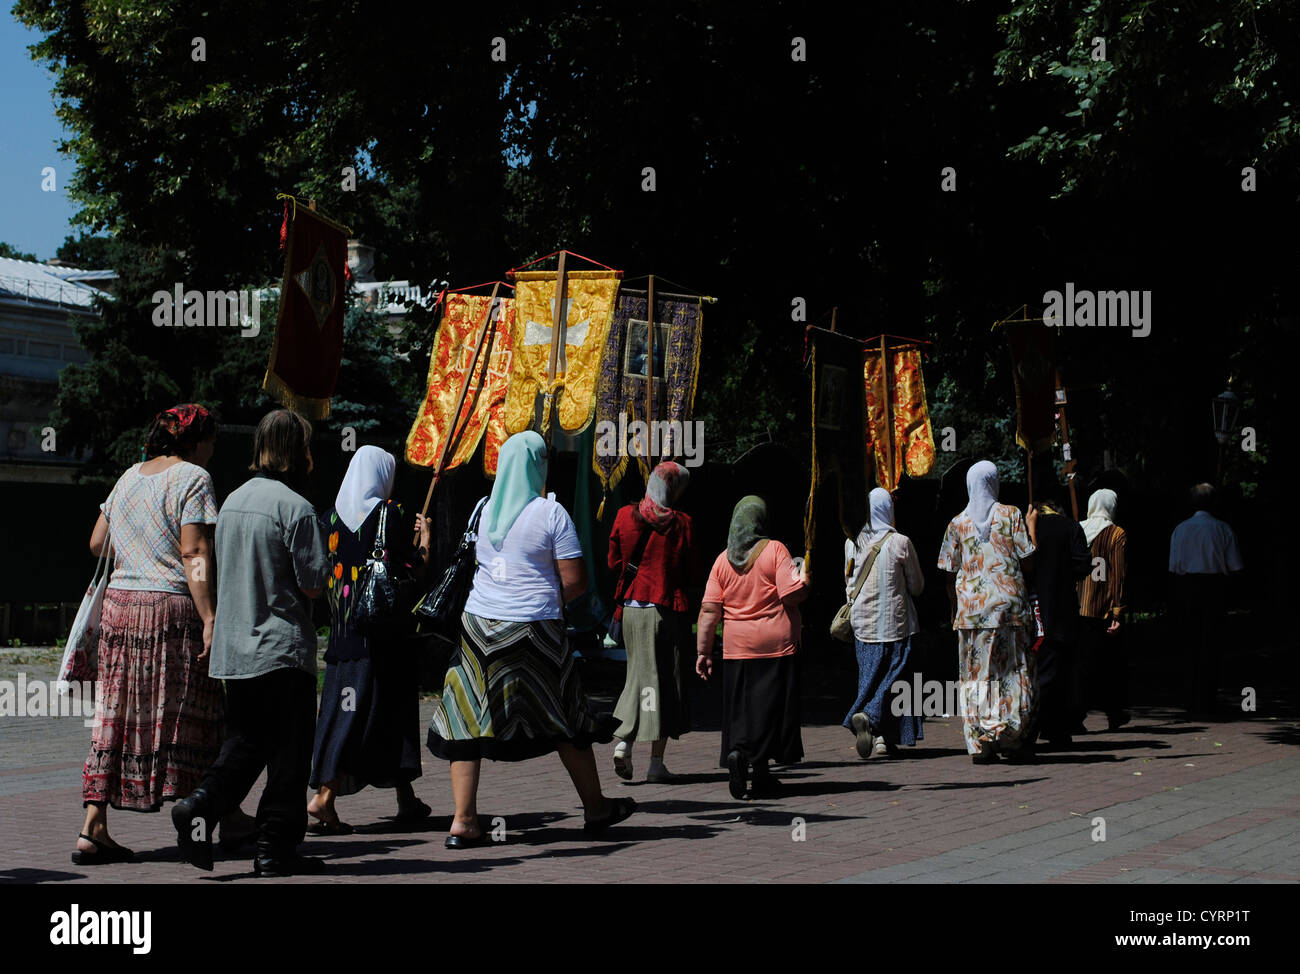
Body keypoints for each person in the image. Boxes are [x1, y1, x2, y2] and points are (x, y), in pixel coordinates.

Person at [426, 431, 634, 848]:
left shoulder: (483, 509)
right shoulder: (550, 513)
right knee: (565, 716)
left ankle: (464, 821)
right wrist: (545, 597)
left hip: (478, 627)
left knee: (466, 718)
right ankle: (595, 808)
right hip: (535, 630)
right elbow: (575, 581)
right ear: (539, 466)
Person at [74, 405, 249, 864]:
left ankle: (93, 827)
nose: (213, 450)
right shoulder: (193, 478)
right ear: (196, 440)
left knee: (115, 715)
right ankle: (214, 818)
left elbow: (98, 543)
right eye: (211, 440)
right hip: (170, 612)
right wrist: (209, 614)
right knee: (193, 716)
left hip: (119, 608)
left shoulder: (129, 476)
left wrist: (140, 540)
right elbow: (193, 550)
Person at [171, 408, 330, 876]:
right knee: (289, 756)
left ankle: (200, 803)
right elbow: (313, 584)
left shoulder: (234, 501)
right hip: (281, 649)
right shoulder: (296, 508)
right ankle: (274, 850)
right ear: (293, 452)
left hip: (236, 651)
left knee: (245, 745)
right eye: (304, 447)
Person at [307, 446, 434, 833]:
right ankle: (324, 799)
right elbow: (411, 571)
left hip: (343, 638)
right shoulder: (389, 513)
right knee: (360, 715)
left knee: (378, 713)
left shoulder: (327, 518)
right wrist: (425, 541)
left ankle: (406, 798)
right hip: (382, 638)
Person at [697, 496, 809, 799]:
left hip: (736, 649)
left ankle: (740, 754)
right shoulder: (775, 550)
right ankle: (759, 770)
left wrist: (703, 652)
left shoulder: (722, 560)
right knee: (770, 711)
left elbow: (709, 611)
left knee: (741, 711)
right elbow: (791, 596)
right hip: (776, 647)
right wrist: (806, 579)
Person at [937, 461, 1038, 764]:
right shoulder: (1011, 515)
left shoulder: (957, 523)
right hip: (1009, 610)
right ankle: (1009, 735)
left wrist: (956, 607)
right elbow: (1028, 560)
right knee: (1012, 672)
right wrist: (1032, 526)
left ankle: (980, 742)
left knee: (975, 676)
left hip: (970, 613)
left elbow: (948, 569)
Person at [608, 461, 696, 783]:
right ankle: (651, 760)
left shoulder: (622, 517)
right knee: (666, 684)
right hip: (668, 610)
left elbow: (613, 561)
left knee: (641, 677)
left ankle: (626, 744)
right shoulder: (682, 524)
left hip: (632, 609)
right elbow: (689, 570)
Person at [841, 487, 925, 759]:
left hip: (863, 626)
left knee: (869, 680)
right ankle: (870, 716)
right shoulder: (901, 542)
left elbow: (848, 582)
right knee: (895, 679)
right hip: (896, 625)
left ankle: (879, 739)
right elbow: (917, 585)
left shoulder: (851, 542)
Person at [1169, 483, 1244, 714]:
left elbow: (1174, 565)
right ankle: (1207, 696)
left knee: (1189, 642)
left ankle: (1189, 695)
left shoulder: (1181, 529)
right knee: (1211, 643)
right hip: (1214, 588)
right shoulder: (1222, 528)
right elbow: (1235, 565)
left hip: (1188, 587)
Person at [1026, 493, 1090, 749]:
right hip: (1063, 606)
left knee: (1039, 666)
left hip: (1034, 603)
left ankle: (1035, 723)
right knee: (1062, 668)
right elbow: (1083, 564)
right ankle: (1058, 727)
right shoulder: (1071, 527)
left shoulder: (1030, 527)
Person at [1076, 488, 1130, 730]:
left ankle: (1076, 715)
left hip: (1077, 605)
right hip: (1102, 608)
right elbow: (1118, 574)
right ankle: (1113, 712)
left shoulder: (1078, 529)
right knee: (1108, 665)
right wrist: (1118, 609)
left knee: (1082, 664)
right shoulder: (1116, 534)